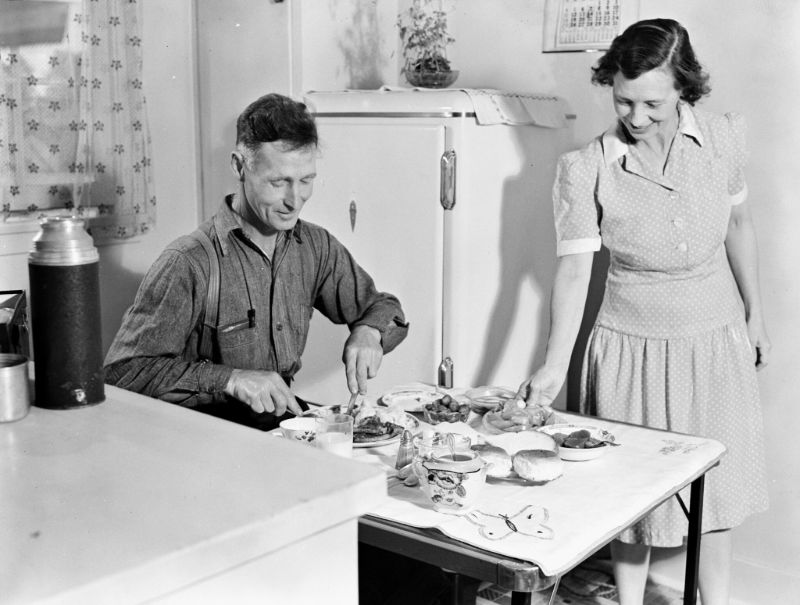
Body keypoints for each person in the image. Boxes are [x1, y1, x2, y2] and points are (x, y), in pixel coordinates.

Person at [517, 19, 770, 605]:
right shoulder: (588, 168)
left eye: (652, 102)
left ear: (684, 87)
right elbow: (576, 270)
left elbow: (739, 224)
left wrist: (756, 314)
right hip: (629, 344)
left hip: (714, 336)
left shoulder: (724, 140)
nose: (635, 116)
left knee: (718, 487)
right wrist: (554, 365)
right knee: (628, 497)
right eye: (623, 100)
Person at [104, 93, 409, 431]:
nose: (295, 201)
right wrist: (230, 379)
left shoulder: (315, 246)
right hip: (201, 441)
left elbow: (386, 308)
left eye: (306, 180)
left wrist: (369, 332)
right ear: (239, 166)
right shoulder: (189, 262)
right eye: (279, 182)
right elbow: (122, 373)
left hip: (278, 431)